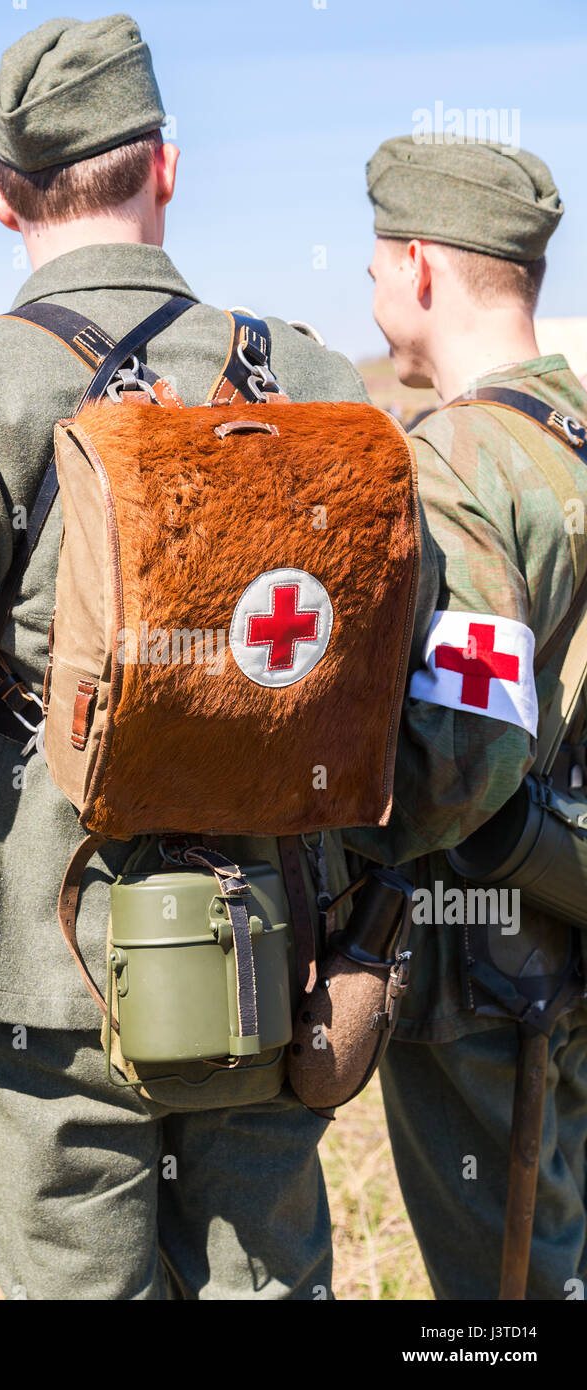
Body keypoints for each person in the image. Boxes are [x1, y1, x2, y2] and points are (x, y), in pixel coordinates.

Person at [0, 15, 381, 1299]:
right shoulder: (315, 376)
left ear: (2, 197)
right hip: (269, 950)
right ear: (164, 166)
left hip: (35, 969)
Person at [350, 136, 587, 1299]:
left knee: (511, 1292)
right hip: (566, 916)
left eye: (377, 267)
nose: (375, 293)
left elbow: (466, 758)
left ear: (421, 269)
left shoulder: (448, 461)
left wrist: (347, 855)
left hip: (486, 968)